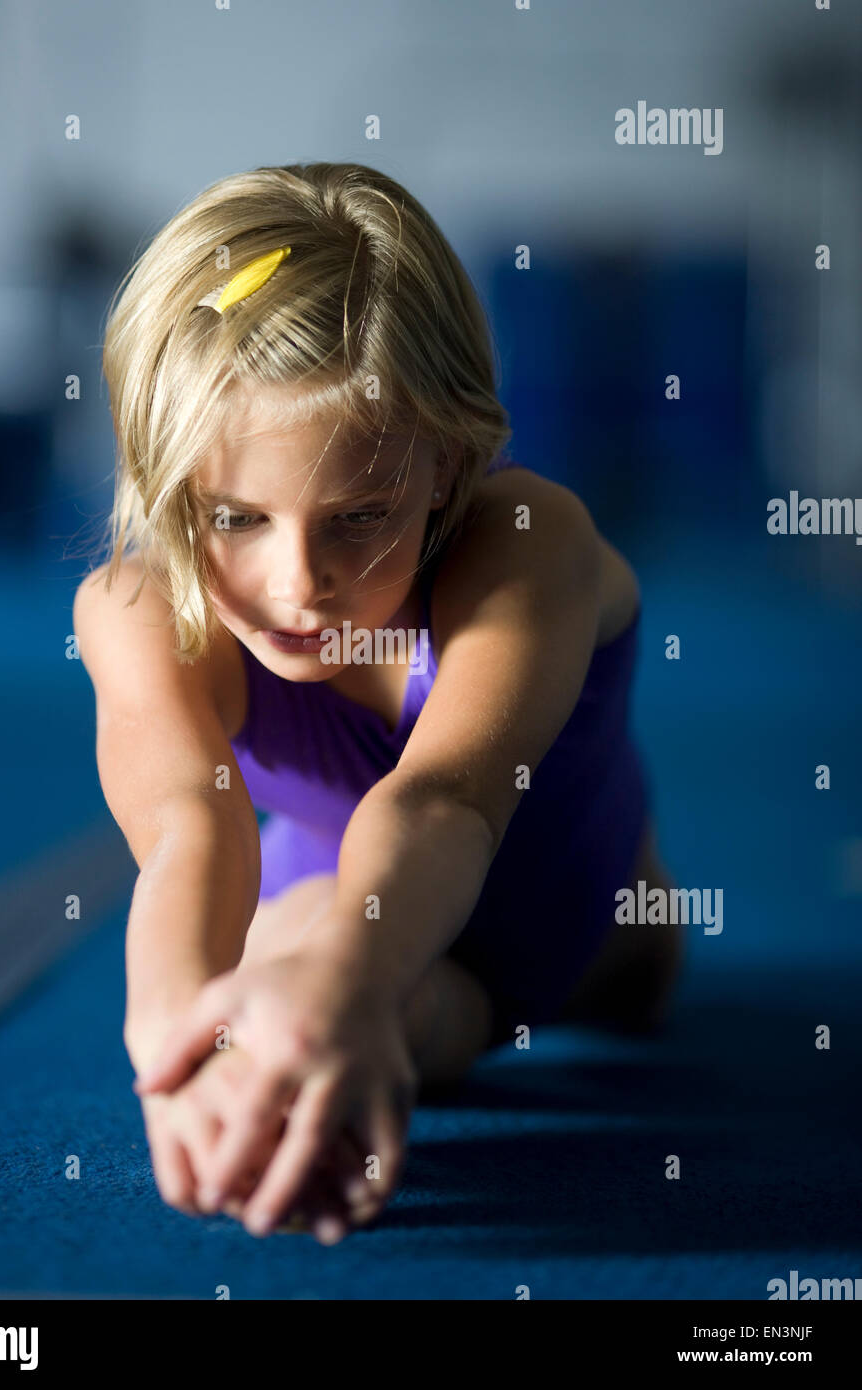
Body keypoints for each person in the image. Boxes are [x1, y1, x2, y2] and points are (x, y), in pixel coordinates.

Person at [74, 162, 684, 1247]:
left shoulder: (528, 546)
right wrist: (175, 1040)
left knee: (626, 969)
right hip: (353, 922)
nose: (297, 583)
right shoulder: (140, 610)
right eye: (234, 516)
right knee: (275, 992)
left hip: (587, 927)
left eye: (359, 517)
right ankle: (355, 1025)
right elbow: (185, 825)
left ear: (445, 469)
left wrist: (348, 974)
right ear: (166, 483)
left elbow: (443, 799)